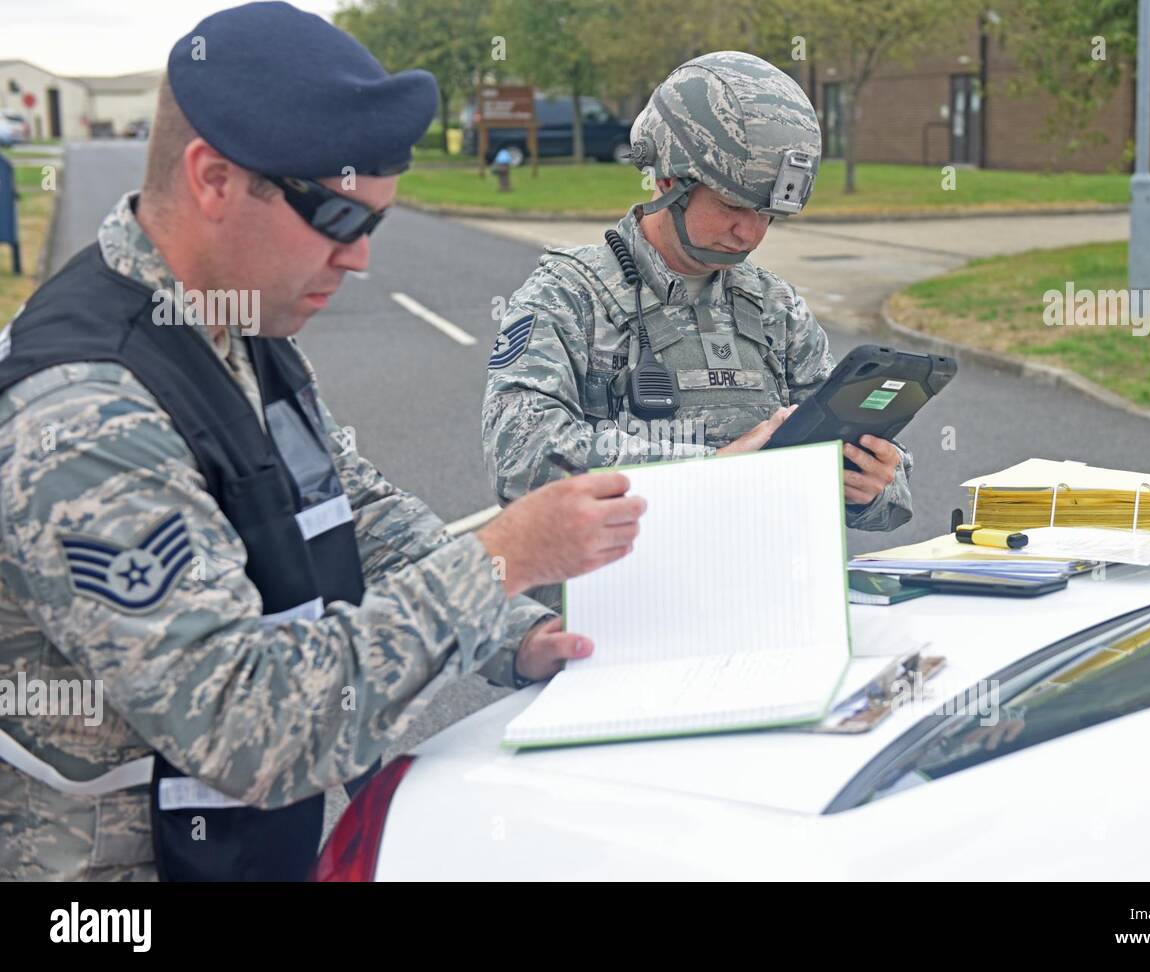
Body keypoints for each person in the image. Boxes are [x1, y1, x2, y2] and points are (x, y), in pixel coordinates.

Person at [0, 1, 644, 881]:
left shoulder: (233, 324)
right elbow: (245, 724)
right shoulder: (81, 413)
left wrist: (518, 631)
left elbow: (353, 511)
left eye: (376, 225)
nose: (361, 260)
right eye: (340, 220)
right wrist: (498, 560)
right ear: (214, 180)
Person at [482, 51, 913, 532]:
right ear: (667, 178)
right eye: (732, 204)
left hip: (764, 589)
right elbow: (520, 455)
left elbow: (880, 479)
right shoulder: (567, 295)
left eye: (767, 214)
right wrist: (715, 468)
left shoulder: (777, 308)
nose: (748, 233)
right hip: (613, 593)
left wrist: (872, 485)